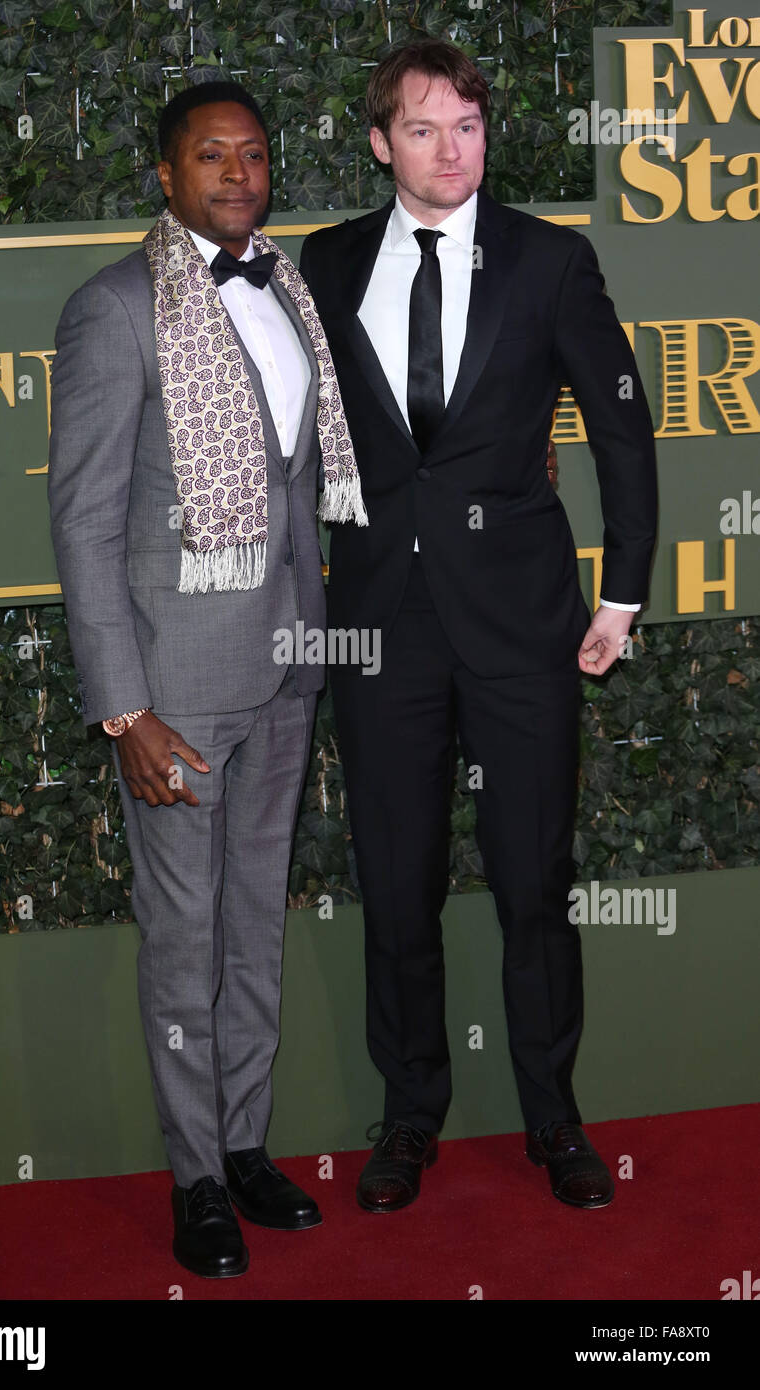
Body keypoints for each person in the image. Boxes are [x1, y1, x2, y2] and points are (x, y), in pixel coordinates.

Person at [300, 39, 657, 1214]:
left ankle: (553, 1119)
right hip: (380, 628)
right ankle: (408, 1116)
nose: (449, 150)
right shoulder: (328, 261)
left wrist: (620, 592)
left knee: (530, 883)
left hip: (520, 625)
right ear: (377, 142)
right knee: (395, 886)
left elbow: (619, 426)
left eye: (467, 126)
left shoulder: (549, 261)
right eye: (421, 128)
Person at [48, 80, 365, 1276]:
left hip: (286, 667)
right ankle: (193, 1181)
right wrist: (121, 707)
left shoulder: (284, 287)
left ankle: (242, 1145)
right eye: (210, 157)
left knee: (254, 931)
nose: (237, 174)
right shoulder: (114, 311)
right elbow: (81, 524)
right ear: (166, 176)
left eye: (252, 155)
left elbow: (300, 484)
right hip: (172, 695)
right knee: (183, 942)